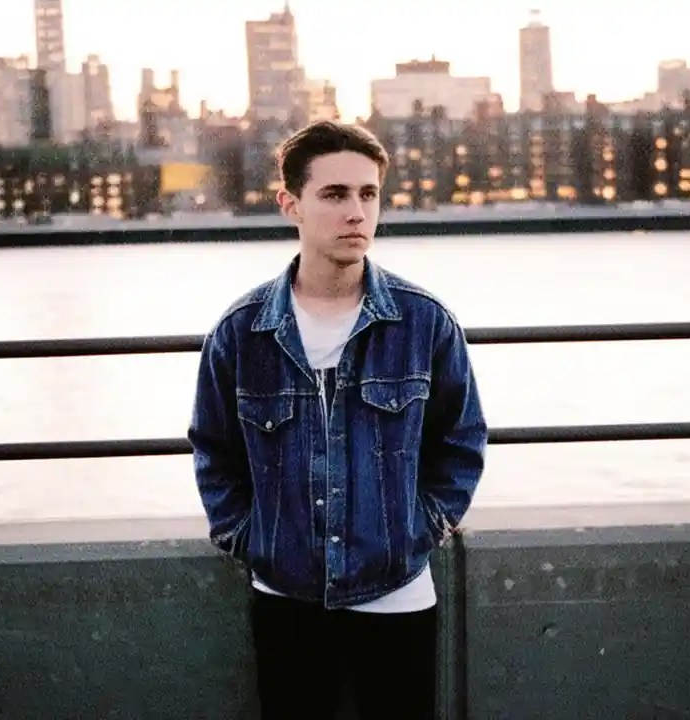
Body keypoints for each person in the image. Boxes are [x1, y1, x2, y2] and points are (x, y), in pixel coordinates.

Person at [189, 120, 487, 719]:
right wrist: (249, 539)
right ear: (290, 204)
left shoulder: (423, 322)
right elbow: (214, 448)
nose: (357, 212)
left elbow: (461, 440)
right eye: (335, 195)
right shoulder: (243, 332)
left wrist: (418, 527)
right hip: (285, 592)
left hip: (397, 592)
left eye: (368, 194)